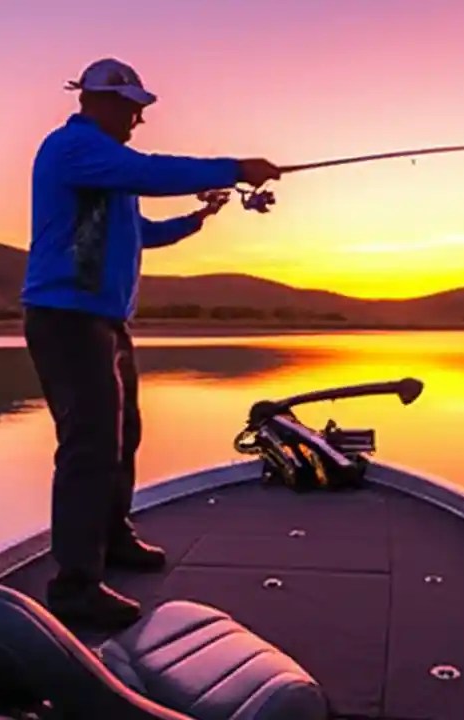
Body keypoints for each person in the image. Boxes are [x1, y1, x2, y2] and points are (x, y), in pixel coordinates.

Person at [20, 58, 280, 630]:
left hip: (104, 322)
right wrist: (237, 167)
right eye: (132, 105)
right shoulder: (74, 149)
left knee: (122, 436)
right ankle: (75, 587)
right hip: (66, 319)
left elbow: (141, 233)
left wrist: (197, 218)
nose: (138, 116)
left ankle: (112, 539)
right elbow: (150, 170)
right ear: (96, 99)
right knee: (89, 448)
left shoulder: (104, 172)